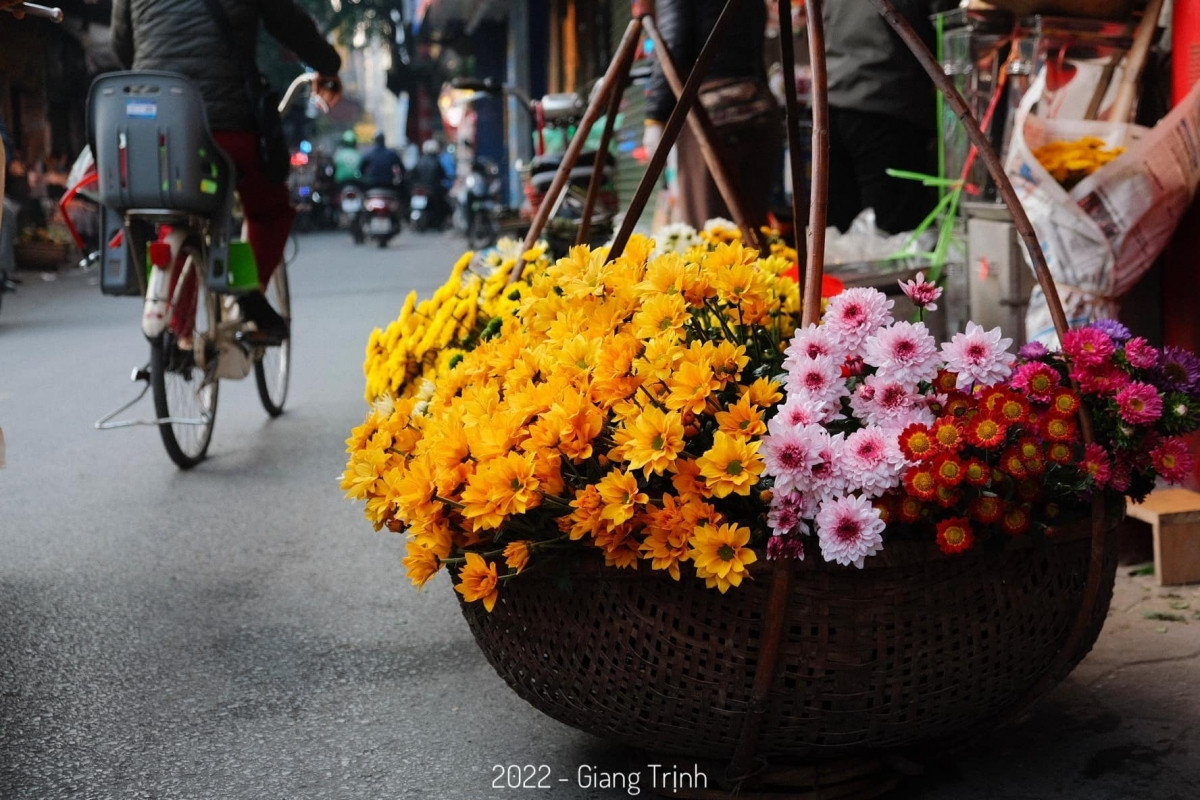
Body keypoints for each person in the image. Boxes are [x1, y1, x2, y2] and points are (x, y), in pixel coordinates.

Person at [110, 0, 342, 342]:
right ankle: (247, 302)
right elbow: (289, 23)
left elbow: (121, 43)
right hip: (228, 129)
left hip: (155, 127)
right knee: (271, 210)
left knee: (175, 214)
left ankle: (179, 333)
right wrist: (329, 65)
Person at [643, 0, 780, 230]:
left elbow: (673, 42)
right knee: (752, 232)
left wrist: (655, 116)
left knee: (710, 233)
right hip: (758, 107)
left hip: (711, 113)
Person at [824, 0, 956, 235]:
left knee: (835, 231)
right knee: (892, 232)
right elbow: (949, 28)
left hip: (833, 101)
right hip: (886, 103)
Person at [409, 138, 451, 228]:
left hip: (422, 188)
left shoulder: (420, 161)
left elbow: (412, 175)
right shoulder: (437, 162)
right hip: (433, 189)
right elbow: (443, 175)